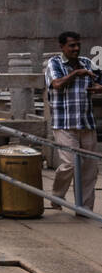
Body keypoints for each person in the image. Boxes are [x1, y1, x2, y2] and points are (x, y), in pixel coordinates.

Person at [45, 31, 102, 214]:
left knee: (89, 169)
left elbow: (100, 79)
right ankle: (57, 195)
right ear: (62, 47)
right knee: (70, 163)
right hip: (64, 123)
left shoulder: (86, 62)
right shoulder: (55, 63)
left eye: (77, 45)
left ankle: (84, 208)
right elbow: (57, 84)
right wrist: (76, 73)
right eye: (71, 46)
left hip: (86, 122)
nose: (76, 49)